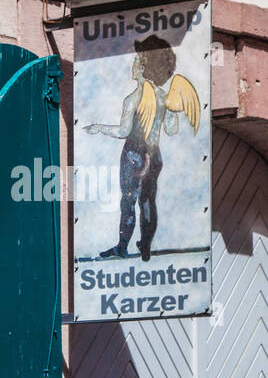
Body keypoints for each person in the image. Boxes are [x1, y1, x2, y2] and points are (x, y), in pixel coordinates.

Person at [84, 34, 201, 261]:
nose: (134, 63)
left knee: (128, 199)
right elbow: (172, 129)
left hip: (134, 155)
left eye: (138, 60)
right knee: (147, 201)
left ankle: (122, 246)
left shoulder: (133, 98)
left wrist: (99, 127)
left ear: (143, 66)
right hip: (154, 156)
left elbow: (123, 131)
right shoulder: (164, 97)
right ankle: (145, 244)